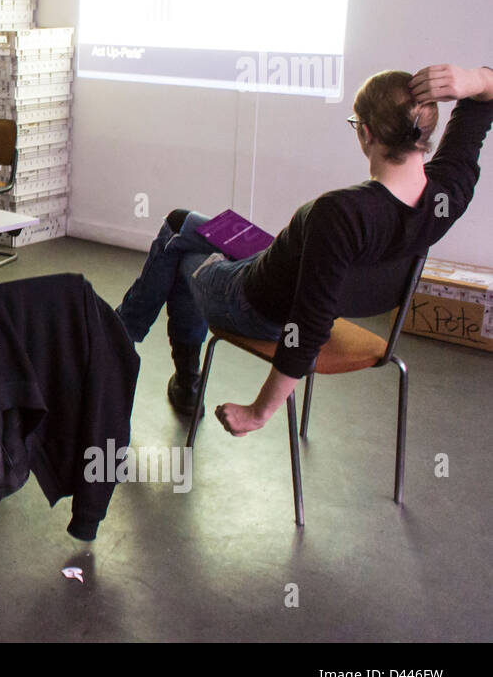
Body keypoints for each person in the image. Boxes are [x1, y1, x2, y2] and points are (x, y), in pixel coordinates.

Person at [114, 63, 493, 436]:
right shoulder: (447, 194)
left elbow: (308, 324)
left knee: (179, 244)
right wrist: (475, 79)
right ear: (425, 132)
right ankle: (146, 353)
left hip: (250, 302)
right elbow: (479, 111)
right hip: (276, 266)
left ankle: (130, 345)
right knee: (185, 221)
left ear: (366, 132)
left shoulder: (341, 213)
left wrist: (258, 412)